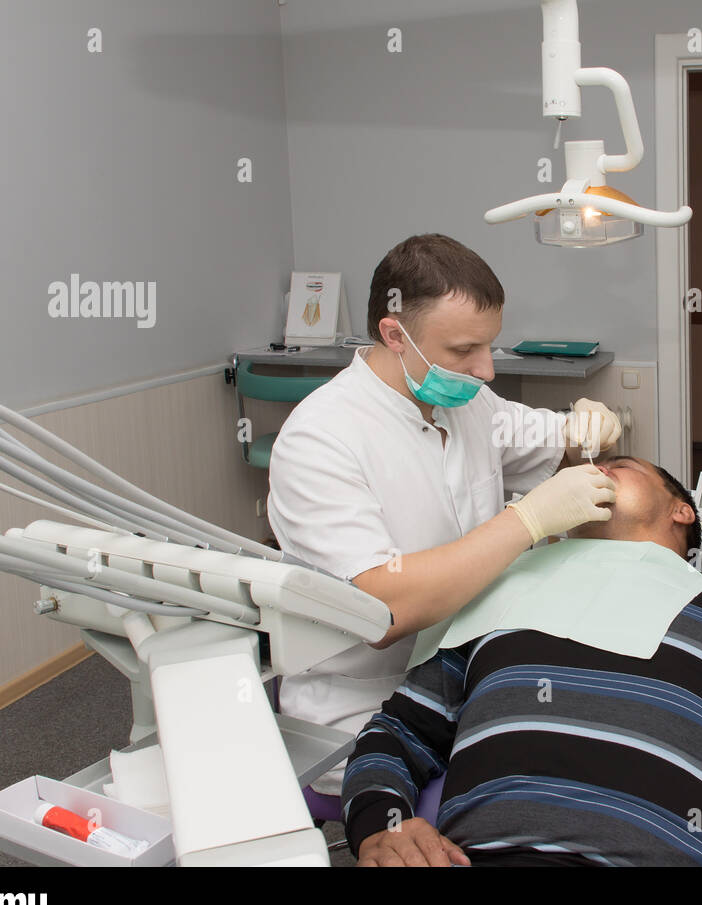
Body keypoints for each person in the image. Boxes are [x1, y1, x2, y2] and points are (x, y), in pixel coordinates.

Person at [342, 456, 702, 866]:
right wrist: (379, 823)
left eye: (621, 467)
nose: (598, 471)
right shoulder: (497, 592)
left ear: (682, 510)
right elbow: (396, 734)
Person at [266, 234, 625, 794]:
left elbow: (557, 441)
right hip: (366, 706)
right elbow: (383, 609)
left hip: (470, 676)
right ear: (395, 334)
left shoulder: (466, 402)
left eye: (490, 346)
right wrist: (526, 522)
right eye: (463, 351)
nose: (485, 370)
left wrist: (587, 427)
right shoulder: (320, 439)